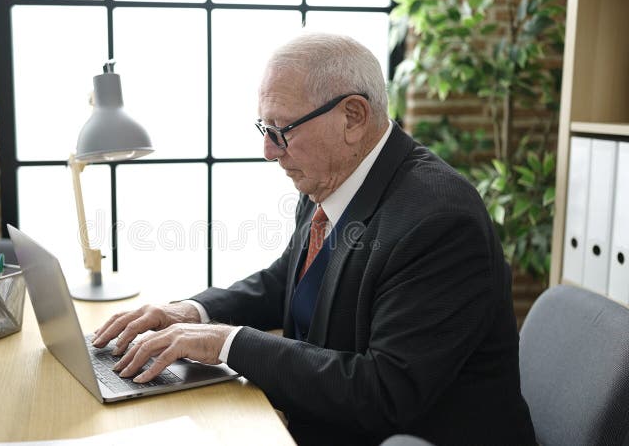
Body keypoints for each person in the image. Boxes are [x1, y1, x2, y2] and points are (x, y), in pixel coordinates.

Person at [92, 32, 536, 446]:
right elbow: (287, 279)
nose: (269, 151)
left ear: (353, 117)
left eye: (282, 130)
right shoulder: (330, 177)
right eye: (265, 129)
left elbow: (384, 392)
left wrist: (226, 343)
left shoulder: (440, 221)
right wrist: (191, 312)